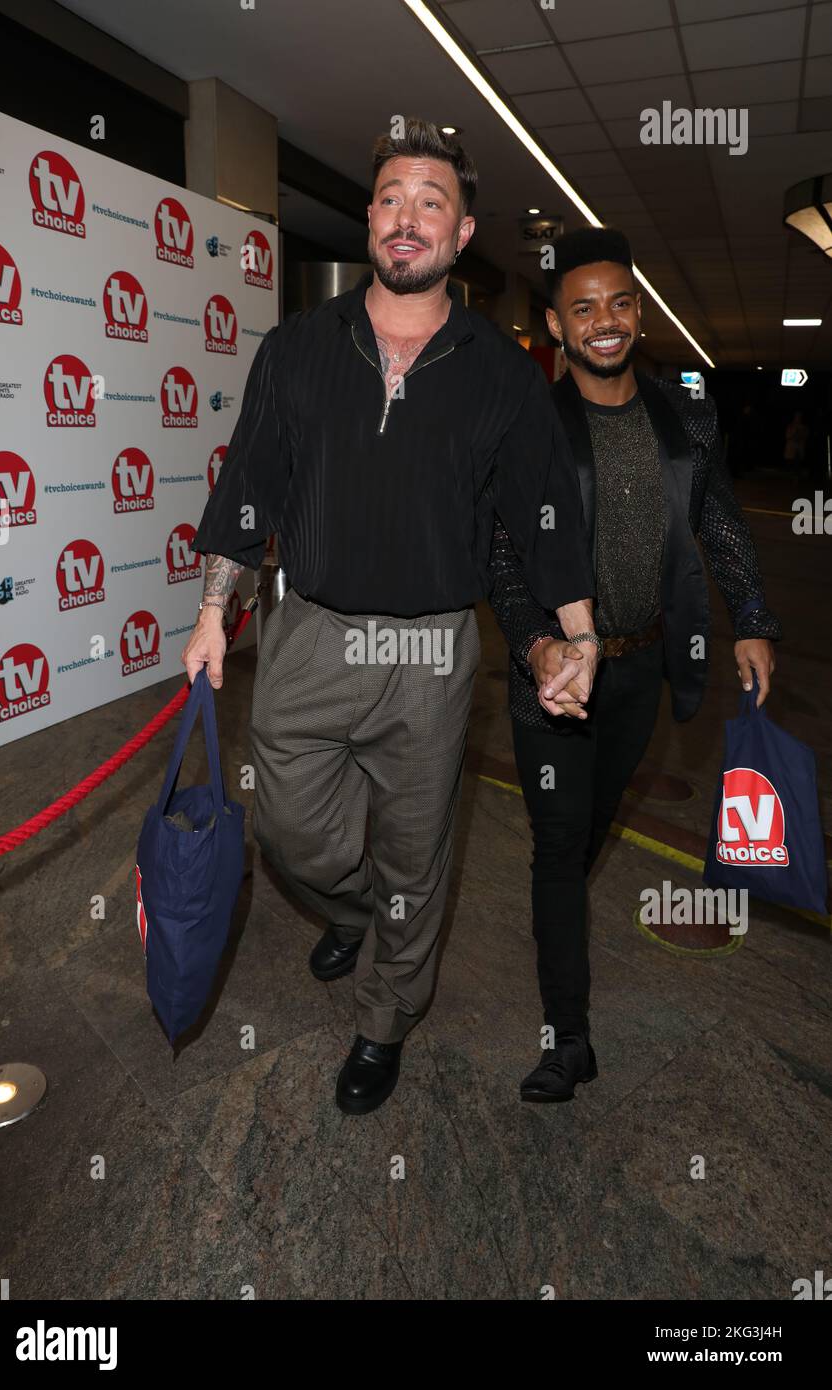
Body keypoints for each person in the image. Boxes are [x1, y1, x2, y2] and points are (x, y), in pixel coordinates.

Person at [182, 120, 596, 1115]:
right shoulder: (293, 350)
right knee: (287, 830)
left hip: (429, 652)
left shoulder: (502, 373)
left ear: (459, 237)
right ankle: (357, 909)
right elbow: (251, 487)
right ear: (370, 221)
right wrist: (210, 612)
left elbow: (542, 517)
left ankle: (383, 1020)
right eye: (388, 199)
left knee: (416, 847)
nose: (404, 217)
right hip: (311, 634)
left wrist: (575, 635)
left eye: (429, 202)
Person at [488, 226, 782, 1104]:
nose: (604, 322)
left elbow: (722, 523)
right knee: (556, 842)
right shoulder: (530, 422)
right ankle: (566, 1037)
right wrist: (540, 647)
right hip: (554, 675)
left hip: (642, 670)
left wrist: (754, 619)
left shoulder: (684, 417)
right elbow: (503, 558)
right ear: (555, 324)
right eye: (584, 309)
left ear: (639, 313)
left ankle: (557, 926)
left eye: (619, 304)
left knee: (586, 832)